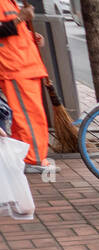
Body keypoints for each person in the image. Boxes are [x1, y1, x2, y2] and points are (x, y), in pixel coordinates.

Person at [0, 0, 48, 168]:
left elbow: (12, 31)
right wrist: (21, 18)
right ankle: (31, 159)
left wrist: (30, 36)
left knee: (32, 116)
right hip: (15, 68)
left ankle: (29, 157)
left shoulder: (10, 2)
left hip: (26, 66)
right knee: (27, 117)